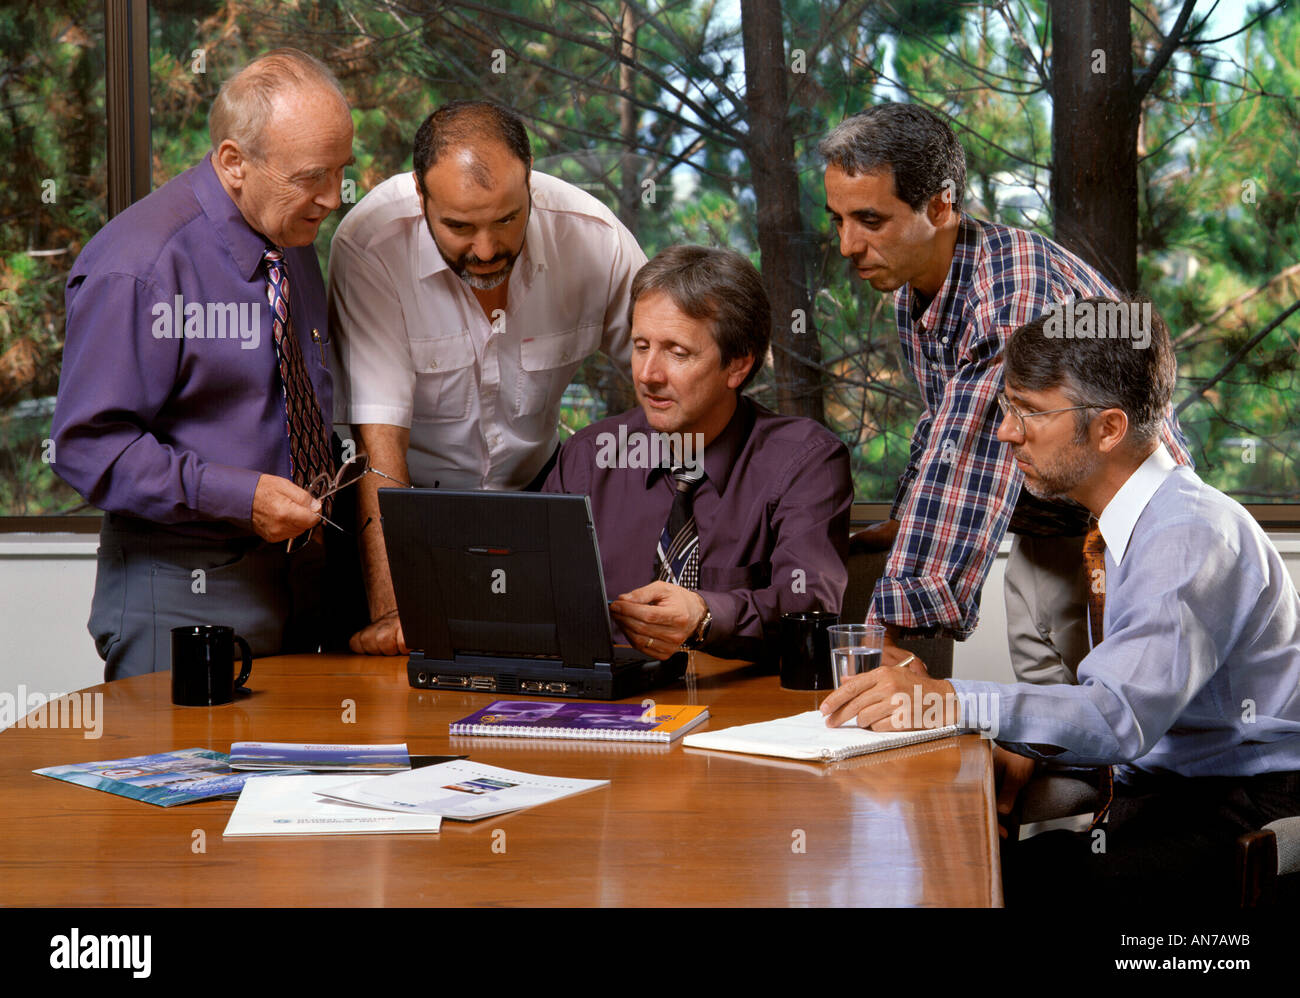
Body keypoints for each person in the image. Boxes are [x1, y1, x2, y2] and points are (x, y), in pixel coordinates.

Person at [820, 298, 1300, 905]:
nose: (1006, 432)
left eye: (1030, 412)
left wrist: (946, 700)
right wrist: (1033, 749)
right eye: (1007, 407)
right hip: (1169, 785)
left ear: (1109, 429)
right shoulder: (1135, 521)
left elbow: (1118, 717)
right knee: (965, 862)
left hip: (1240, 805)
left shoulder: (1188, 535)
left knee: (982, 884)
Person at [820, 103, 1192, 686]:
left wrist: (888, 629)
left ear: (940, 205)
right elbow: (945, 422)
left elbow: (971, 451)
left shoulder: (1012, 296)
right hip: (1048, 525)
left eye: (870, 220)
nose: (848, 245)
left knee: (1117, 722)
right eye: (838, 220)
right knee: (1046, 720)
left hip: (1121, 537)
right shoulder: (914, 294)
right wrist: (904, 519)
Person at [50, 49, 353, 681]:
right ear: (234, 162)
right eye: (311, 177)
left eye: (340, 171)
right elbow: (88, 449)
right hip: (185, 591)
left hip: (305, 582)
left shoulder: (289, 230)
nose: (332, 197)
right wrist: (242, 497)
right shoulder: (139, 265)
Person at [328, 100, 646, 657]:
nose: (486, 249)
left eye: (506, 219)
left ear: (530, 181)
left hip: (534, 500)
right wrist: (394, 616)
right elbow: (379, 444)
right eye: (458, 226)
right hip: (407, 505)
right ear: (420, 194)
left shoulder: (595, 238)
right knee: (405, 674)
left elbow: (671, 378)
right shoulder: (372, 244)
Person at [544, 245, 852, 665]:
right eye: (641, 346)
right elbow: (535, 594)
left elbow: (808, 606)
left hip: (740, 701)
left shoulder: (806, 462)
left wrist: (706, 615)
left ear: (737, 365)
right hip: (608, 697)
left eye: (677, 352)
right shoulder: (588, 457)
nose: (648, 375)